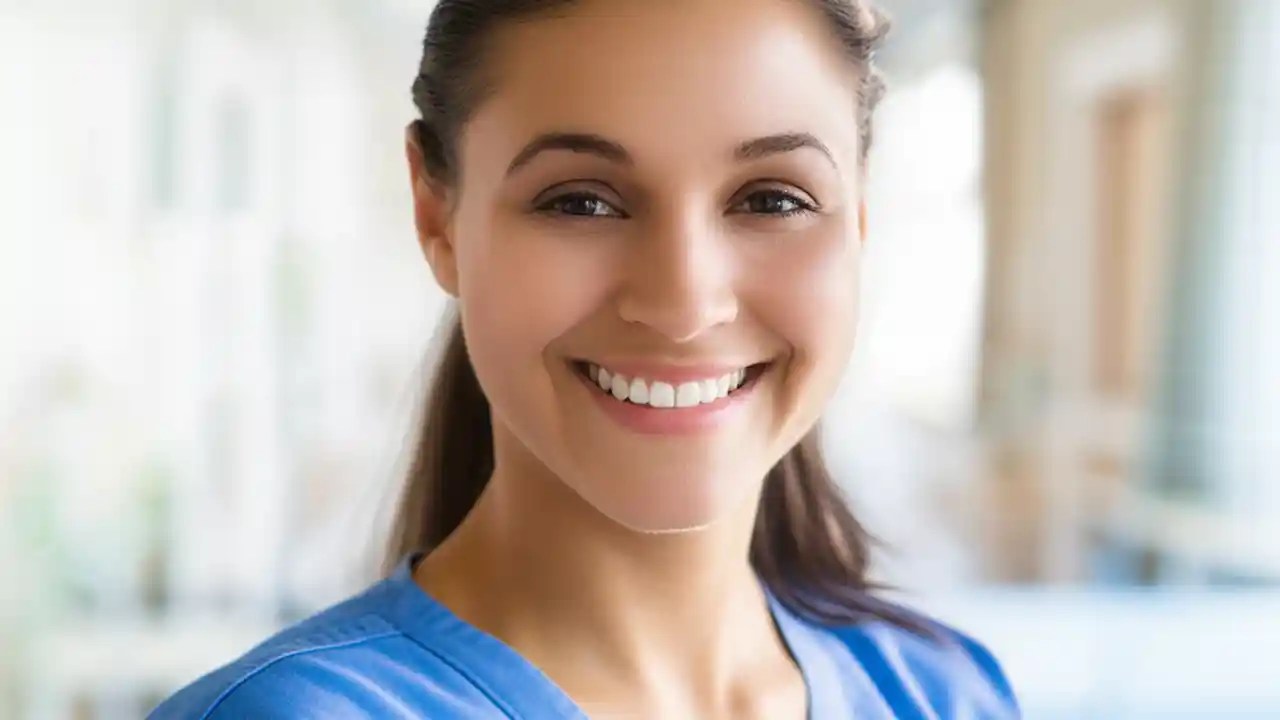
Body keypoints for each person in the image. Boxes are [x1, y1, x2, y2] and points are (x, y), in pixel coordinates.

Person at [150, 0, 1020, 717]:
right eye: (580, 202)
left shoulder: (945, 694)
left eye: (771, 198)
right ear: (435, 215)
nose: (684, 304)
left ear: (858, 219)